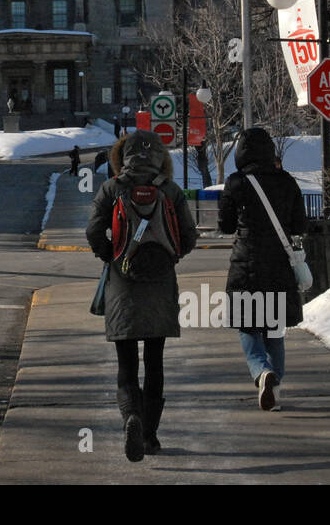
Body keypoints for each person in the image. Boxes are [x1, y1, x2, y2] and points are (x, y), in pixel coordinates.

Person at [86, 130, 197, 461]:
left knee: (126, 364)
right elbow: (189, 236)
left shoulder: (112, 188)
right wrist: (168, 258)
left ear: (122, 156)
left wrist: (112, 255)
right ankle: (149, 435)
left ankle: (130, 417)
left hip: (122, 285)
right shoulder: (170, 190)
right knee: (155, 362)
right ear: (159, 157)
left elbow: (92, 231)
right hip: (161, 286)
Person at [218, 127, 308, 412]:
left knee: (248, 325)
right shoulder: (287, 182)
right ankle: (275, 386)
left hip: (246, 265)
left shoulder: (236, 183)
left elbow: (226, 225)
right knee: (274, 328)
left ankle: (261, 371)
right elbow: (299, 226)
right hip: (279, 266)